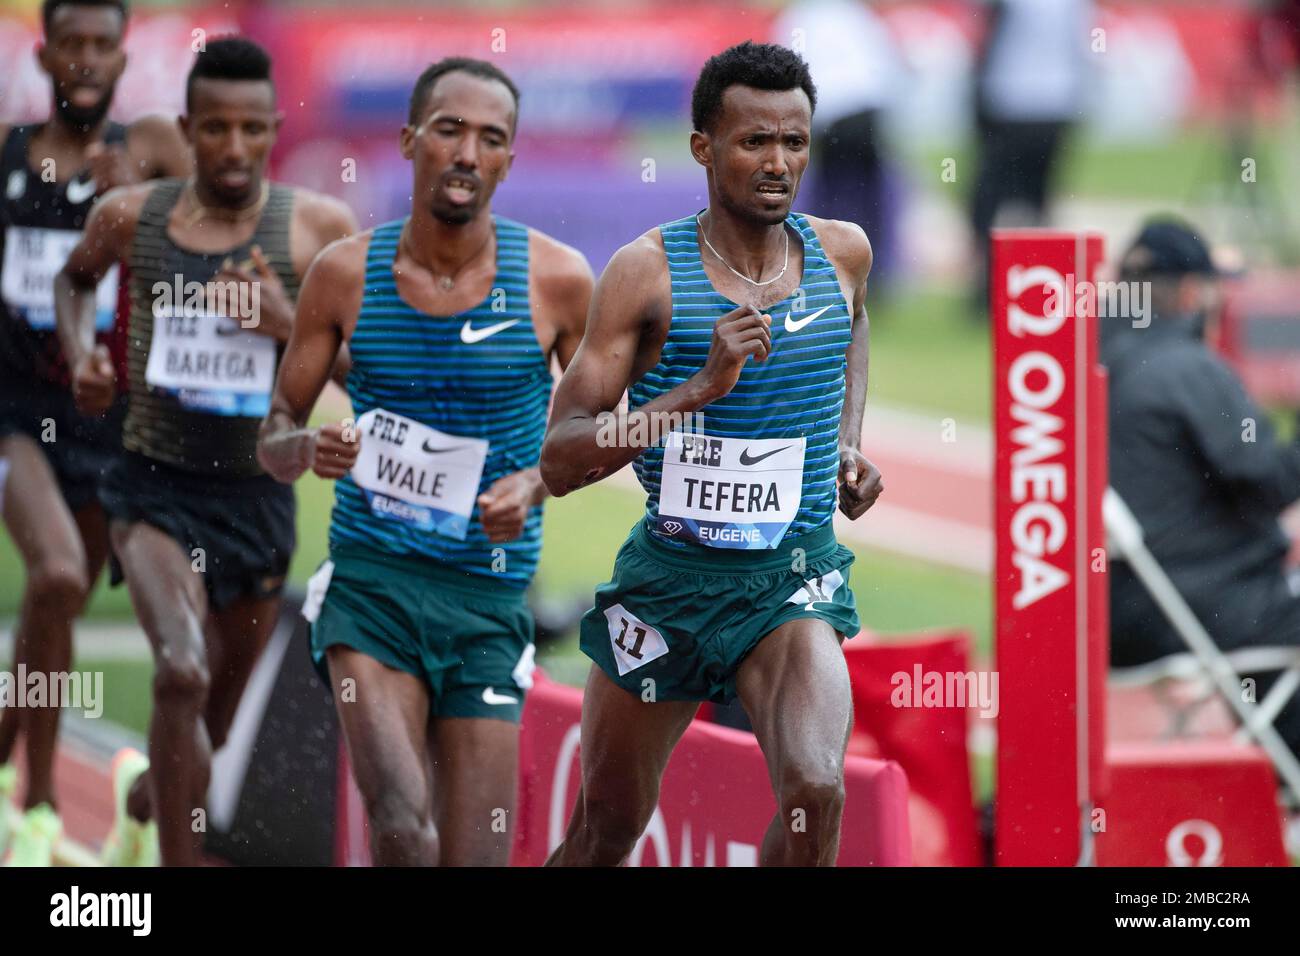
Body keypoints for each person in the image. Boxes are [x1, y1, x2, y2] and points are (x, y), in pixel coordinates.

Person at [539, 41, 883, 867]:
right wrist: (694, 390)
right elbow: (560, 458)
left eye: (794, 143)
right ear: (703, 147)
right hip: (670, 588)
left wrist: (846, 444)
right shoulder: (645, 275)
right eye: (753, 141)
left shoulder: (843, 254)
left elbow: (854, 327)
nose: (778, 163)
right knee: (604, 834)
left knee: (815, 793)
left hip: (790, 580)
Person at [257, 57, 592, 866]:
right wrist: (305, 448)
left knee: (475, 855)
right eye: (449, 130)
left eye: (491, 138)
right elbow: (273, 433)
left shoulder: (558, 281)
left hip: (488, 600)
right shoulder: (343, 275)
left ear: (509, 158)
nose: (468, 153)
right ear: (410, 141)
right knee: (404, 827)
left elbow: (607, 432)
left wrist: (538, 483)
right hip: (372, 589)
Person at [54, 36, 356, 866]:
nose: (233, 148)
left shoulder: (317, 232)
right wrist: (82, 352)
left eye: (252, 130)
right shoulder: (133, 216)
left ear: (272, 129)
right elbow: (75, 280)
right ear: (188, 128)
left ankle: (146, 800)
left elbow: (369, 365)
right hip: (151, 487)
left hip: (257, 498)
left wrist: (285, 322)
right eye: (215, 129)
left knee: (209, 730)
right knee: (180, 673)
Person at [0, 0, 190, 866]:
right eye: (69, 43)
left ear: (122, 57)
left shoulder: (148, 153)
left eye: (100, 46)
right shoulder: (6, 158)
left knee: (61, 601)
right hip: (13, 417)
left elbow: (213, 234)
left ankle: (7, 758)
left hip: (106, 420)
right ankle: (36, 802)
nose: (84, 59)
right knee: (58, 574)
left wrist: (142, 204)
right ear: (43, 54)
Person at [1104, 217, 1300, 760]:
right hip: (1193, 607)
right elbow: (1268, 481)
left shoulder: (1084, 360)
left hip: (1113, 613)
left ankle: (1284, 776)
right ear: (1193, 293)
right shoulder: (1188, 368)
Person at [969, 0, 1091, 306]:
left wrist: (977, 97)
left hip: (1011, 100)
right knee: (1036, 201)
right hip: (1057, 102)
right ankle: (1037, 281)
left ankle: (990, 285)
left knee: (988, 200)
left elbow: (989, 34)